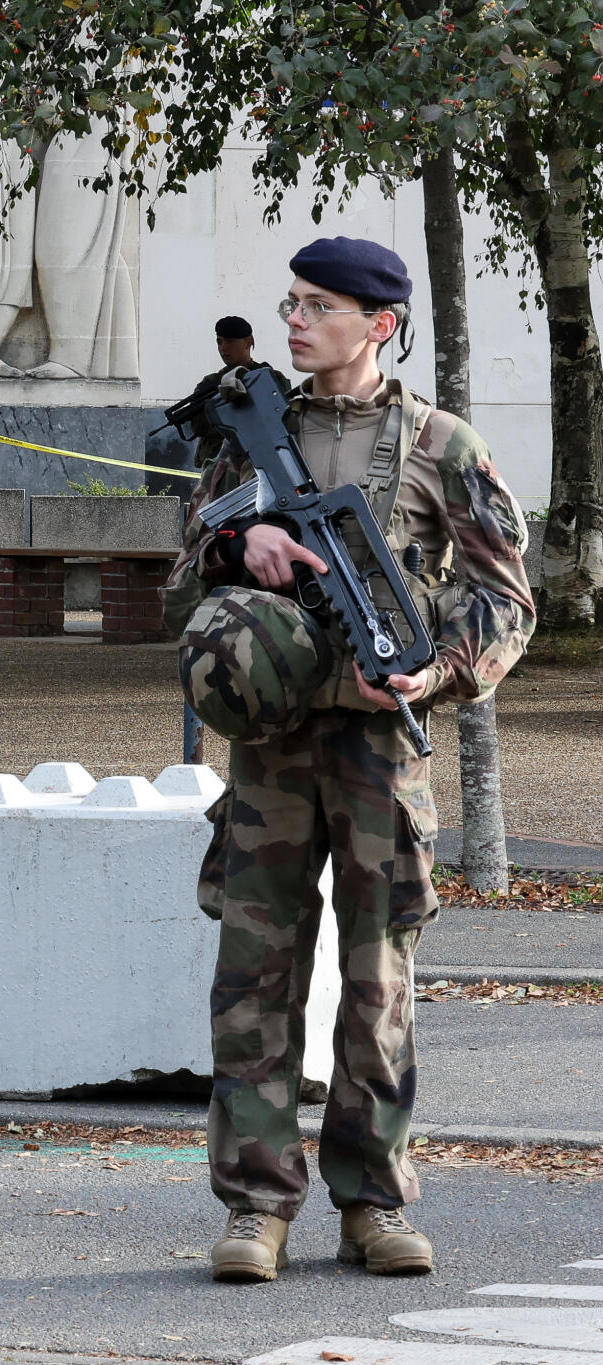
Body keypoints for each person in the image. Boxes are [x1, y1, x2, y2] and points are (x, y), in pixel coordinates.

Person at [162, 237, 536, 1285]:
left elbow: (506, 596)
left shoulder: (440, 445)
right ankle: (253, 1209)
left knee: (376, 984)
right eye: (288, 302)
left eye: (317, 305)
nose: (293, 320)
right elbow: (179, 579)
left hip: (378, 749)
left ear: (376, 323)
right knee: (253, 982)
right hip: (269, 747)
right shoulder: (246, 435)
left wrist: (437, 675)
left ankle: (372, 1202)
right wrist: (244, 550)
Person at [184, 317, 293, 458]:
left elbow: (281, 417)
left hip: (261, 457)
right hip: (218, 462)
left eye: (230, 341)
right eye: (219, 342)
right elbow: (198, 426)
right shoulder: (210, 383)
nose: (223, 347)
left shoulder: (271, 379)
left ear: (248, 342)